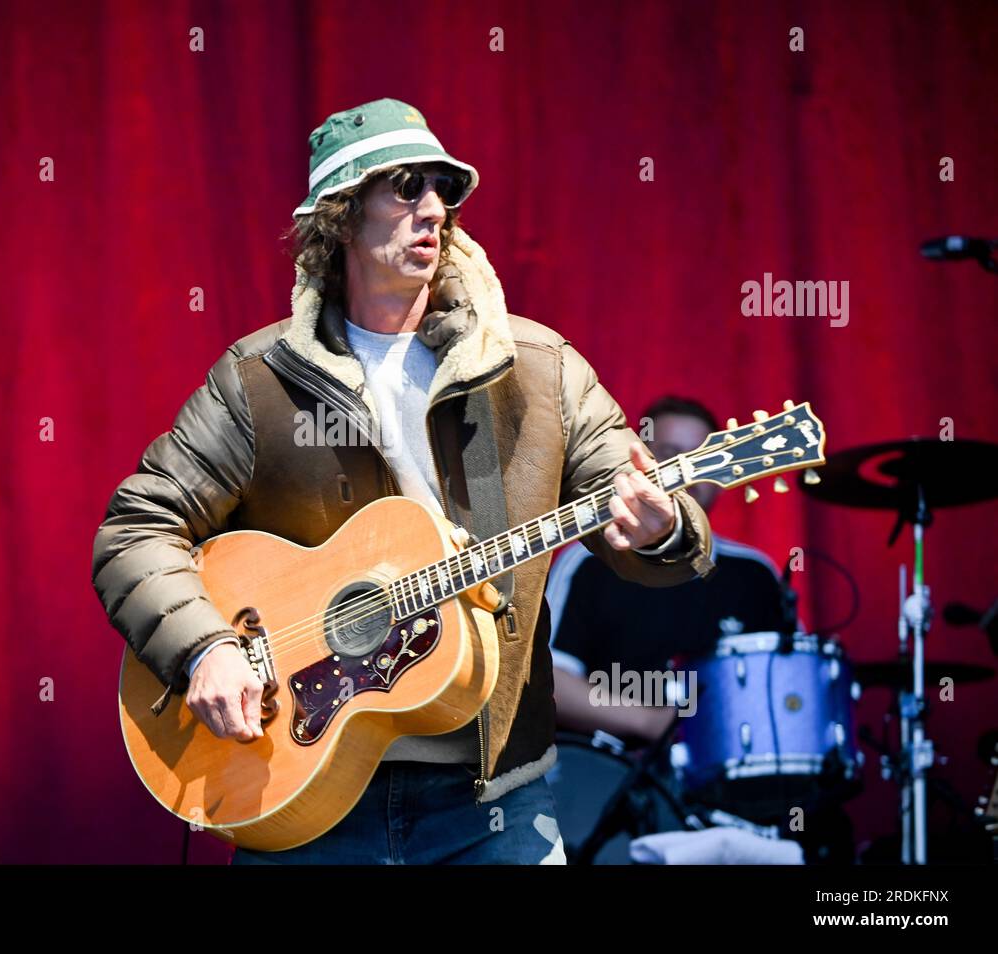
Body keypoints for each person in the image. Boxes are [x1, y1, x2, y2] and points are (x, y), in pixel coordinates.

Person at [91, 98, 715, 864]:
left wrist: (664, 529)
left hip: (495, 800)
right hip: (298, 789)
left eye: (444, 190)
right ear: (340, 217)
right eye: (407, 185)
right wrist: (204, 648)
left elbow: (644, 504)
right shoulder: (259, 382)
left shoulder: (537, 368)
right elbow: (136, 529)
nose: (434, 210)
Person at [545, 395, 787, 747]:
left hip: (726, 777)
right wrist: (651, 722)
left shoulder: (755, 574)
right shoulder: (587, 561)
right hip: (608, 776)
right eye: (672, 454)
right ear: (638, 462)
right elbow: (546, 682)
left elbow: (788, 687)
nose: (688, 470)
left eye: (702, 456)